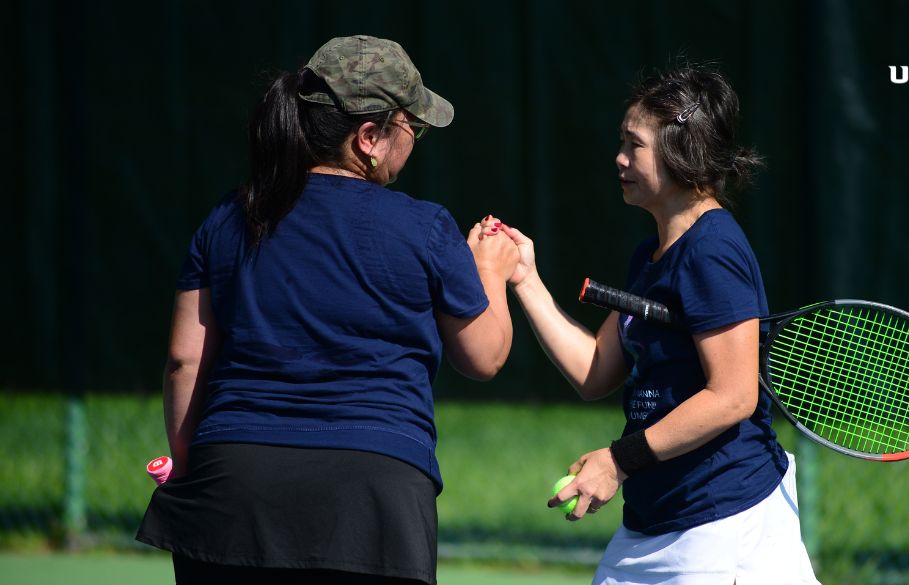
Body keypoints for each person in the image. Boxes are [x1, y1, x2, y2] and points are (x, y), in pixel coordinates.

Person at [136, 35, 517, 585]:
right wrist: (491, 270)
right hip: (373, 500)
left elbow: (183, 362)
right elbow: (484, 357)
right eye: (414, 127)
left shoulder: (227, 217)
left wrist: (191, 463)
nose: (417, 140)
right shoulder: (427, 226)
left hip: (230, 487)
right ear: (369, 138)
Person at [489, 64, 821, 584]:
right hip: (658, 519)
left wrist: (619, 461)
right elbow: (595, 371)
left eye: (634, 145)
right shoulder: (651, 255)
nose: (619, 158)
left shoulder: (713, 251)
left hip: (724, 525)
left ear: (680, 151)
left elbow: (734, 395)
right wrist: (526, 280)